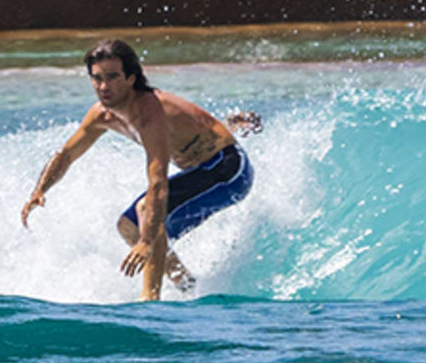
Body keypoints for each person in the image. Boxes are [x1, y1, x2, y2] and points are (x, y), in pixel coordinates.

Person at [19, 37, 263, 299]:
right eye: (97, 78)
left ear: (131, 78)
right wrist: (40, 190)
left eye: (113, 77)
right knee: (129, 226)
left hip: (229, 170)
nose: (104, 86)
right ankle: (188, 286)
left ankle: (150, 297)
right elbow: (66, 154)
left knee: (147, 213)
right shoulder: (102, 115)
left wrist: (147, 242)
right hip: (201, 171)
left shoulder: (150, 112)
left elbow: (158, 180)